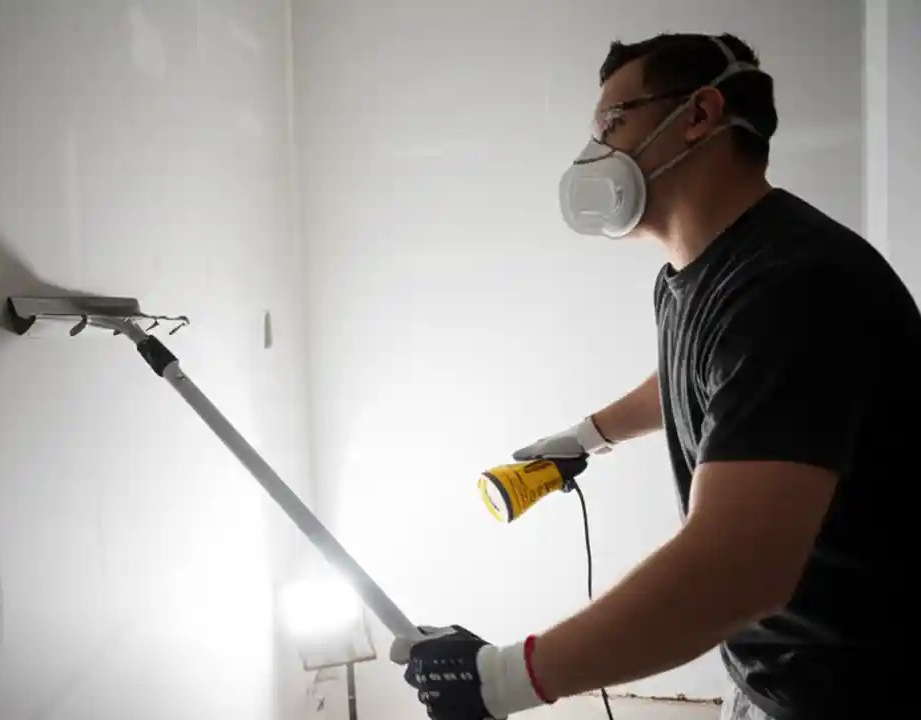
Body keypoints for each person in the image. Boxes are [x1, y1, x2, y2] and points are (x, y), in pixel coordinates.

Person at [391, 32, 915, 720]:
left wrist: (499, 679)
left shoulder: (795, 285)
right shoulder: (697, 279)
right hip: (781, 675)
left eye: (613, 122)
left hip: (860, 688)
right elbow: (704, 378)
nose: (594, 151)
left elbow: (736, 568)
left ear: (698, 116)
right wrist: (588, 436)